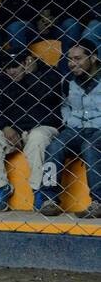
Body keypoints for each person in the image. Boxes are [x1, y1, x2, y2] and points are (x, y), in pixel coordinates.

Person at [0, 48, 64, 212]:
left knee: (38, 138)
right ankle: (1, 188)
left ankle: (39, 190)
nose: (11, 71)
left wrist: (31, 75)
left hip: (41, 127)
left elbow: (49, 96)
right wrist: (4, 125)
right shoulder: (0, 81)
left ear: (27, 62)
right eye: (7, 67)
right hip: (14, 131)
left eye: (15, 66)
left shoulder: (49, 74)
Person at [40, 40, 101, 218]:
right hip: (76, 129)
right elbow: (64, 104)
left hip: (99, 130)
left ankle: (98, 202)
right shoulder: (67, 81)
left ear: (94, 57)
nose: (72, 63)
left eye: (78, 58)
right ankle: (49, 199)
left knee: (90, 147)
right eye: (69, 59)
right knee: (53, 147)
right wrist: (68, 121)